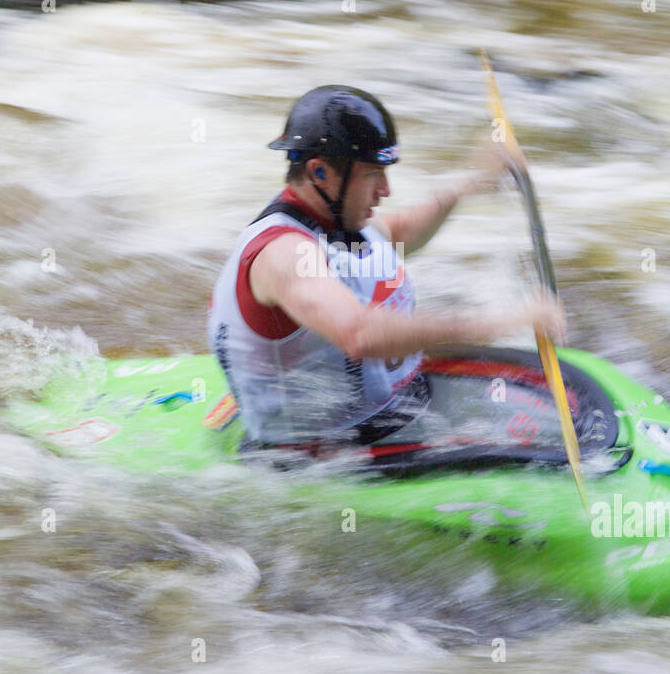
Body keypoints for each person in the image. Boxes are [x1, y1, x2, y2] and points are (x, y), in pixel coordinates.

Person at [207, 84, 567, 449]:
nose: (386, 190)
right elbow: (359, 335)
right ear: (320, 172)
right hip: (316, 454)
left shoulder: (336, 220)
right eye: (371, 175)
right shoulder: (284, 255)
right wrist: (502, 322)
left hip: (384, 414)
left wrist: (471, 182)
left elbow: (399, 233)